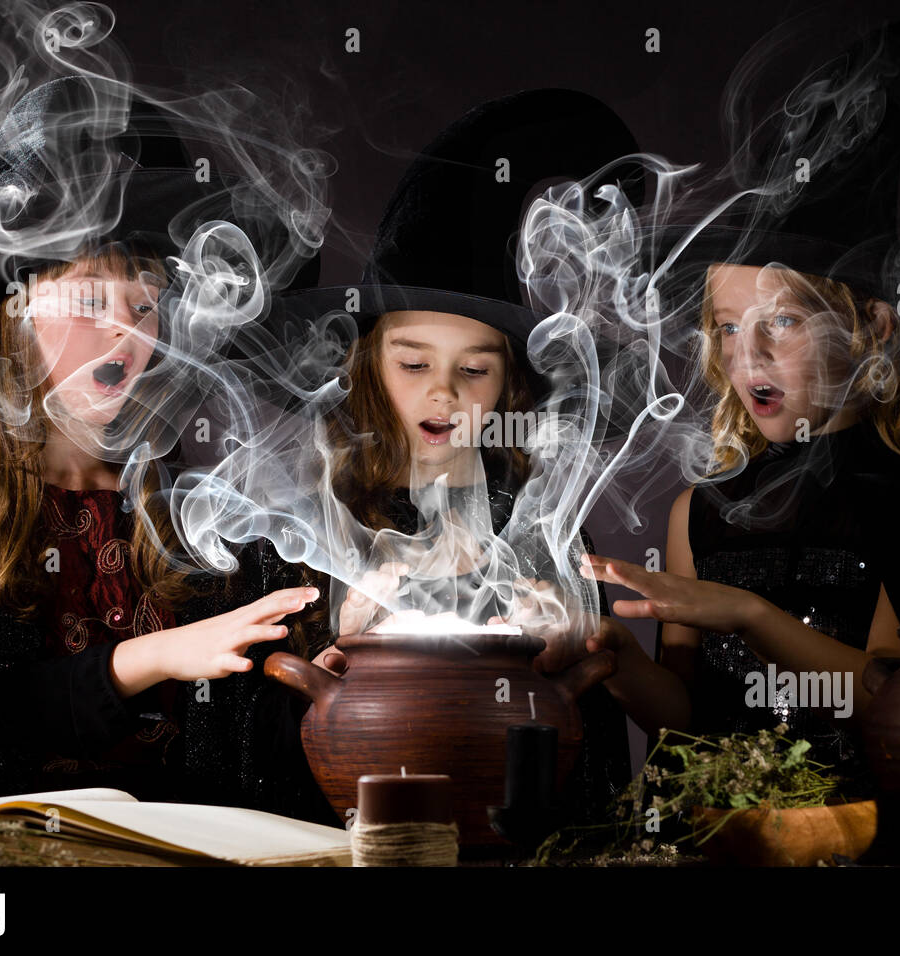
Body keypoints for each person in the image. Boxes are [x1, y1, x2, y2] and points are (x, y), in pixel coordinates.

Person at [580, 10, 900, 793]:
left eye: (784, 322)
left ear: (870, 326)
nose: (747, 355)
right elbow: (688, 719)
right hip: (729, 835)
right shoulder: (701, 510)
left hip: (868, 834)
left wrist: (746, 614)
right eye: (728, 328)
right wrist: (616, 659)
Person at [0, 78, 333, 819]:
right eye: (88, 301)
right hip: (6, 838)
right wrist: (163, 654)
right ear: (11, 322)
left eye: (144, 303)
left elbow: (250, 729)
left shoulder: (200, 512)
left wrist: (311, 672)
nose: (127, 333)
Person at [267, 89, 643, 825]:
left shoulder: (550, 539)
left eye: (473, 370)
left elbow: (585, 771)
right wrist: (334, 659)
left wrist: (567, 652)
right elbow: (255, 766)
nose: (443, 392)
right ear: (369, 368)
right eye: (414, 365)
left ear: (509, 386)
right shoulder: (304, 540)